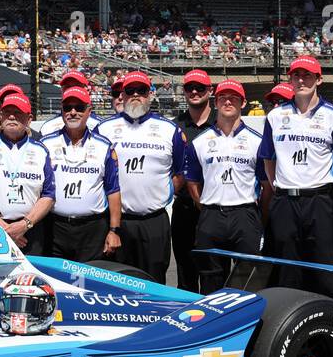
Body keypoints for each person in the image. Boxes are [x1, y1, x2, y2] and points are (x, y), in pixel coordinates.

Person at [257, 56, 333, 301]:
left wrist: (325, 193)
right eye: (296, 75)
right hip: (285, 201)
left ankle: (328, 328)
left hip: (319, 200)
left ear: (319, 79)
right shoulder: (276, 116)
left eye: (307, 75)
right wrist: (282, 186)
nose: (301, 80)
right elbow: (268, 158)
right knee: (286, 270)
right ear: (290, 79)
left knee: (325, 269)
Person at [95, 71, 187, 283]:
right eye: (130, 91)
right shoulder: (105, 128)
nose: (136, 95)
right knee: (116, 283)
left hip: (153, 221)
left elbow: (181, 171)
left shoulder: (169, 129)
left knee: (154, 281)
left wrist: (164, 192)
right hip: (117, 222)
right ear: (123, 95)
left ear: (150, 94)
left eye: (142, 90)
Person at [182, 81, 264, 294]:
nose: (228, 101)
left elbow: (266, 185)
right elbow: (192, 182)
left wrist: (255, 214)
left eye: (234, 98)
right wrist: (205, 208)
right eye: (223, 98)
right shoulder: (200, 142)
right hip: (211, 215)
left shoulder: (257, 141)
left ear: (243, 103)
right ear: (215, 102)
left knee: (248, 282)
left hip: (245, 214)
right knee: (210, 284)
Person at [0, 92, 54, 254]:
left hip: (30, 231)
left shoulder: (41, 151)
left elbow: (49, 195)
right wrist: (3, 227)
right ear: (0, 116)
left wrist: (24, 225)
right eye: (7, 112)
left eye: (18, 112)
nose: (11, 117)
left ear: (29, 119)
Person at [40, 85, 121, 262]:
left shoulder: (104, 145)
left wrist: (114, 231)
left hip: (93, 229)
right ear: (61, 111)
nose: (73, 112)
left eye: (79, 107)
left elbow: (113, 191)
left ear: (89, 111)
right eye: (68, 108)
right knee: (57, 283)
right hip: (55, 227)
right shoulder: (45, 144)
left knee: (88, 285)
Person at [171, 69, 215, 292]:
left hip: (216, 210)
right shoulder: (174, 126)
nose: (195, 92)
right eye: (190, 88)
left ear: (210, 90)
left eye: (200, 87)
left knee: (214, 275)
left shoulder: (222, 122)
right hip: (185, 208)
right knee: (185, 276)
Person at [38, 70, 104, 135]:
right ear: (61, 90)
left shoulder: (101, 126)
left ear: (87, 89)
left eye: (76, 86)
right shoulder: (48, 127)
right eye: (67, 87)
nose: (72, 90)